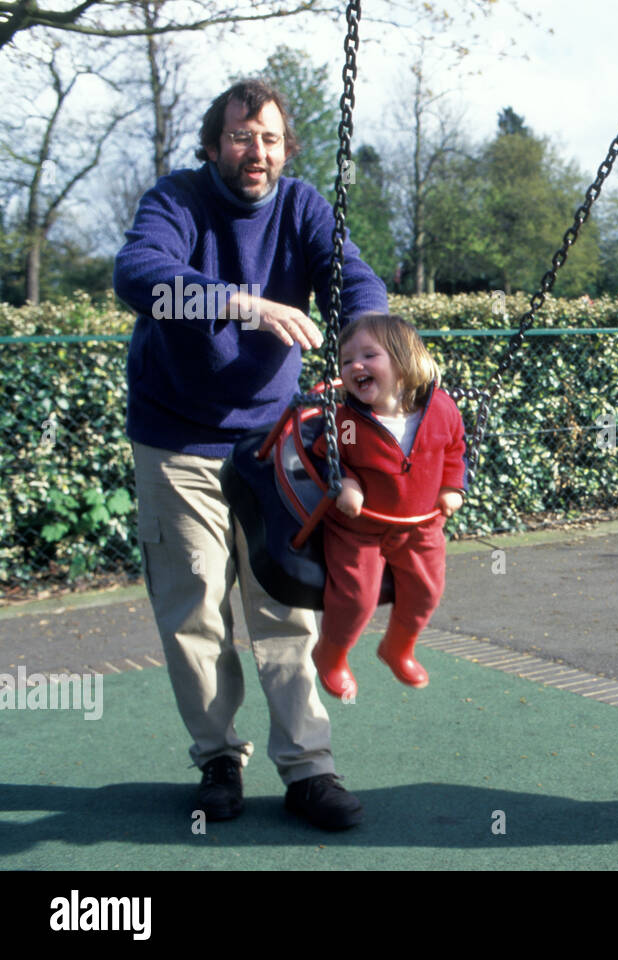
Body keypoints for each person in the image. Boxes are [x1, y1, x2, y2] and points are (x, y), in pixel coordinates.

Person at [114, 79, 388, 831]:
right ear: (213, 146)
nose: (255, 152)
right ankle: (217, 758)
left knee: (287, 600)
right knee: (195, 603)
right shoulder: (176, 202)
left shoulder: (302, 207)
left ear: (285, 147)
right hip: (177, 441)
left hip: (272, 443)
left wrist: (373, 340)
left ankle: (307, 767)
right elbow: (141, 279)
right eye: (240, 137)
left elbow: (350, 276)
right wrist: (243, 301)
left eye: (268, 138)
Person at [309, 315, 466, 700]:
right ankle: (331, 654)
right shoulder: (346, 421)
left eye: (368, 355)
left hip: (421, 526)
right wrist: (346, 481)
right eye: (346, 361)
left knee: (426, 592)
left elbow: (454, 450)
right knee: (355, 598)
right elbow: (330, 455)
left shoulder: (441, 410)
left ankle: (398, 647)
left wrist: (451, 486)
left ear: (403, 361)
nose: (354, 366)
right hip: (358, 528)